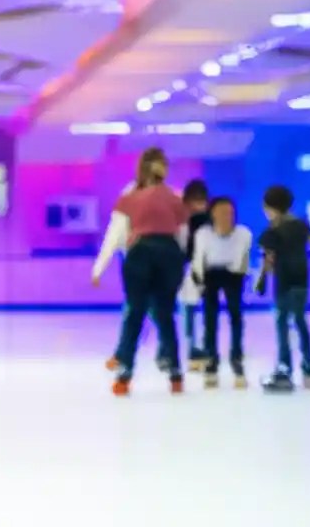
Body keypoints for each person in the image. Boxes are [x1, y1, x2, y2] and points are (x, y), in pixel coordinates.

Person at [98, 148, 190, 396]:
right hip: (167, 255)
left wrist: (101, 266)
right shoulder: (174, 198)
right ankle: (174, 373)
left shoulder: (132, 197)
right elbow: (182, 236)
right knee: (164, 315)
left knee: (137, 312)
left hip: (142, 254)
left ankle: (125, 370)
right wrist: (179, 262)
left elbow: (117, 233)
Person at [256, 185, 310, 392]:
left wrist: (261, 281)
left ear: (268, 207)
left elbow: (269, 259)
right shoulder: (300, 225)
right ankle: (309, 369)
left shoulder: (271, 232)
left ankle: (284, 369)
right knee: (301, 322)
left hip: (283, 282)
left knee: (283, 324)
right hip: (301, 281)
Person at [191, 196, 252, 388]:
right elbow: (199, 259)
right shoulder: (203, 234)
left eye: (230, 213)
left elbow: (243, 260)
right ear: (213, 213)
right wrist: (199, 281)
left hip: (234, 274)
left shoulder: (243, 234)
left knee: (236, 316)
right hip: (210, 274)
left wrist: (242, 276)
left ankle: (236, 358)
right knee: (210, 319)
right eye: (222, 212)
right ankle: (211, 361)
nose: (227, 216)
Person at [180, 179, 211, 370]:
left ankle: (205, 345)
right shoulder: (184, 219)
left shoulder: (209, 219)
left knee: (205, 309)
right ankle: (192, 347)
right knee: (189, 309)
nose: (199, 205)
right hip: (189, 268)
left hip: (207, 268)